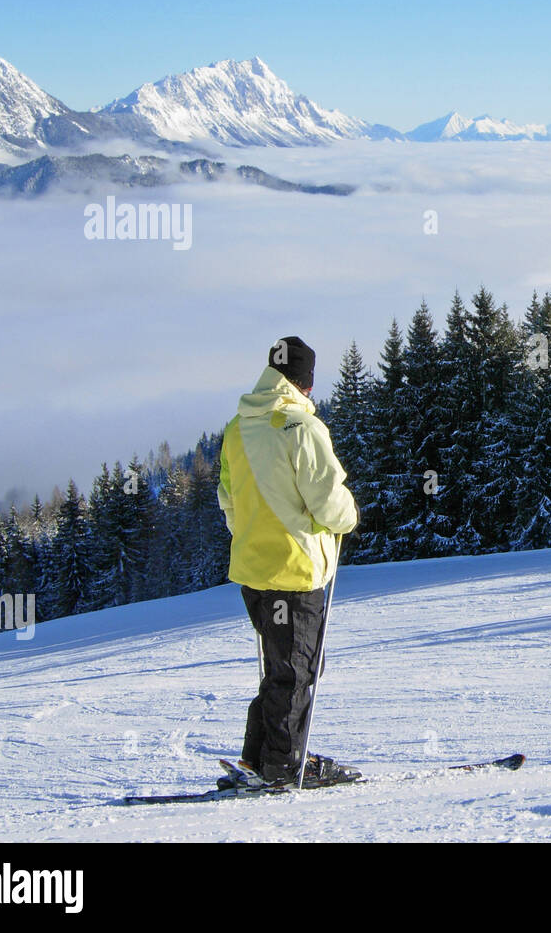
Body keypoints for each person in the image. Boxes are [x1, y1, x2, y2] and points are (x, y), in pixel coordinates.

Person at [216, 336, 360, 788]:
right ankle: (282, 765)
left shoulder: (237, 430)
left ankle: (262, 757)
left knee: (283, 667)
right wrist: (349, 515)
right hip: (296, 570)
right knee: (297, 670)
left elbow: (228, 501)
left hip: (253, 571)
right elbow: (329, 504)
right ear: (305, 382)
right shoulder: (300, 428)